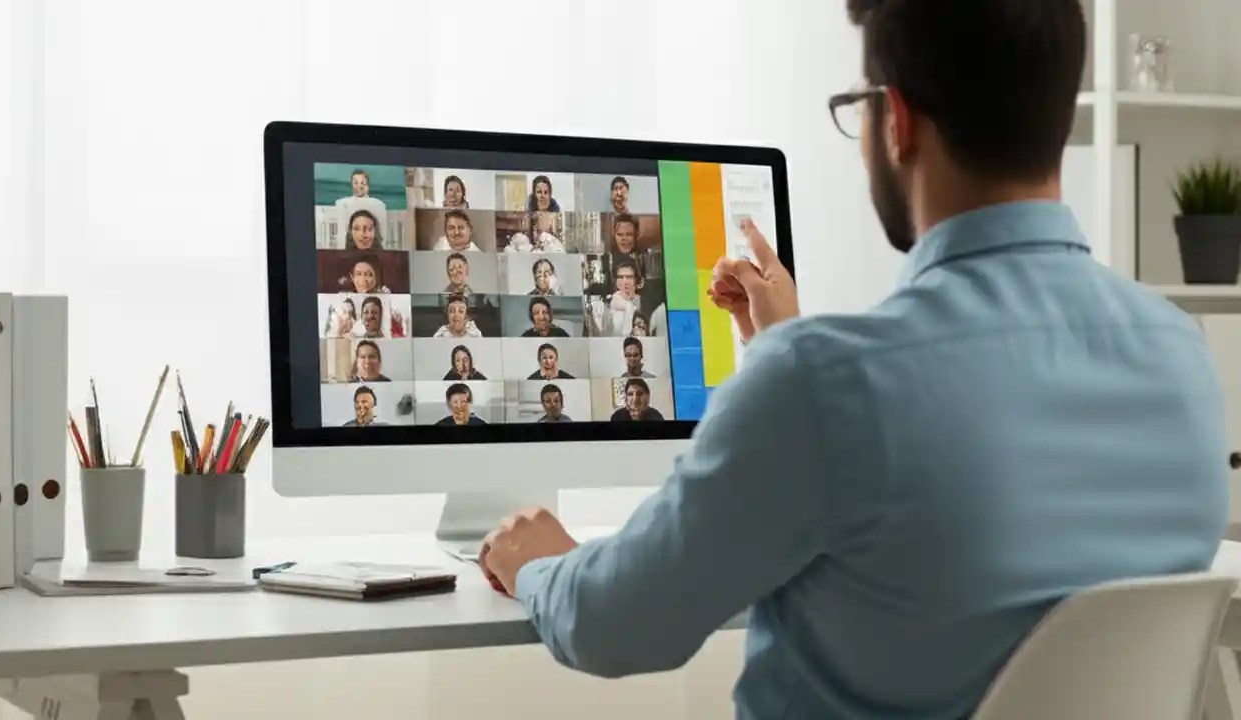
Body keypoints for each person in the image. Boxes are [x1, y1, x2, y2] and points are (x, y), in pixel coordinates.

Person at [476, 2, 1229, 718]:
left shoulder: (822, 385)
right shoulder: (1181, 358)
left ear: (895, 120)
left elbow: (617, 625)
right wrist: (782, 356)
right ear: (1059, 114)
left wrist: (539, 564)